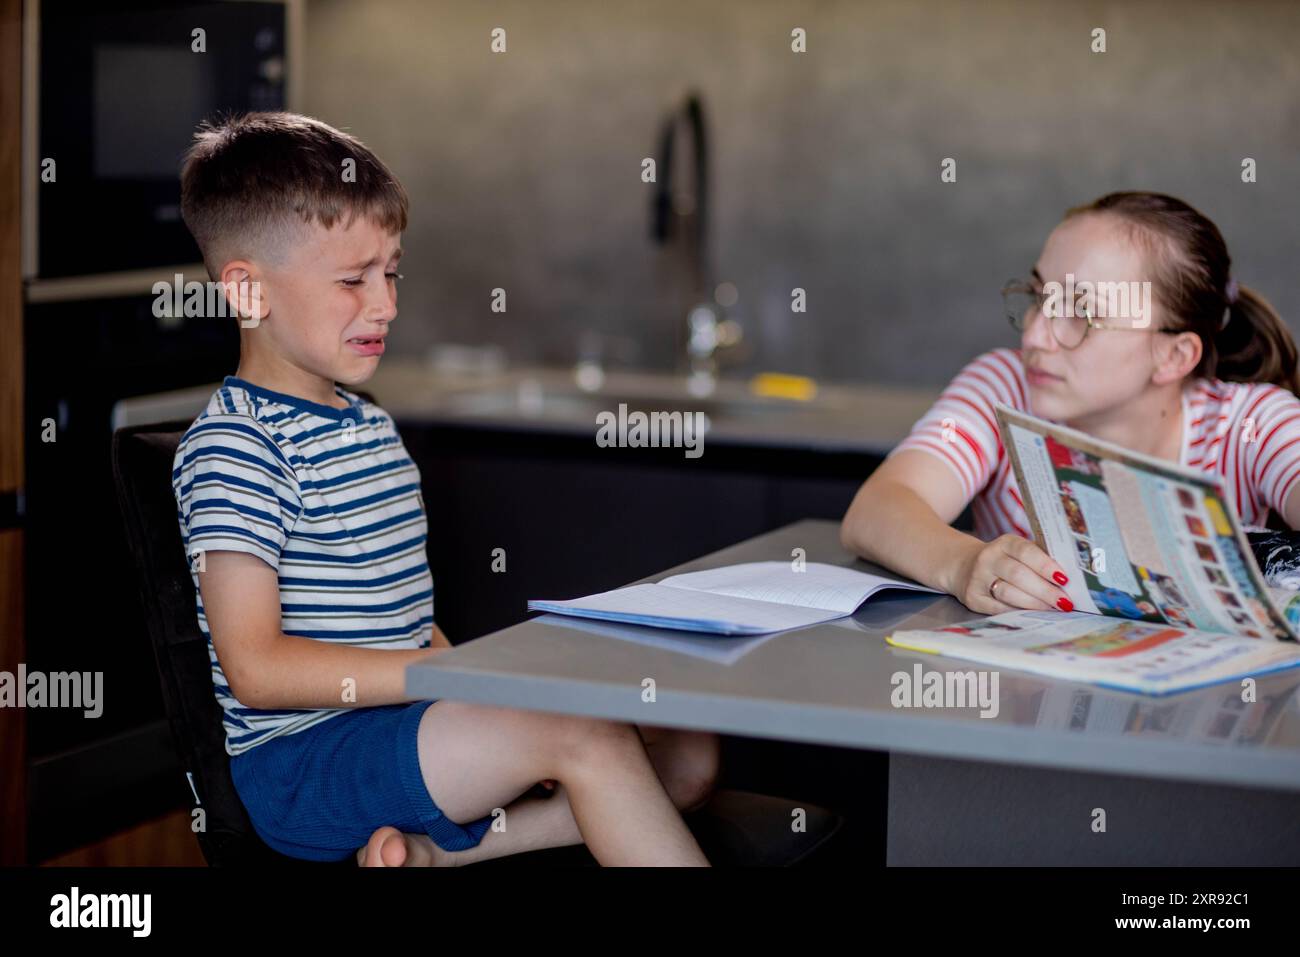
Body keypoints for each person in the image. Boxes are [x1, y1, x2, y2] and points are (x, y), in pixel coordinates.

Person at [173, 112, 718, 866]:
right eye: (352, 279)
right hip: (306, 764)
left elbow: (406, 625)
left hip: (401, 722)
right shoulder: (237, 446)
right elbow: (257, 671)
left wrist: (489, 678)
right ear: (249, 293)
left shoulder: (372, 429)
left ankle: (431, 854)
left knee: (688, 750)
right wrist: (456, 681)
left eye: (391, 272)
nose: (386, 303)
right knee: (582, 733)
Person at [841, 191, 1300, 616]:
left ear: (1173, 356)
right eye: (1040, 297)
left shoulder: (1250, 424)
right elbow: (877, 509)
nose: (1035, 335)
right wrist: (963, 564)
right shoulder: (1003, 387)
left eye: (1081, 313)